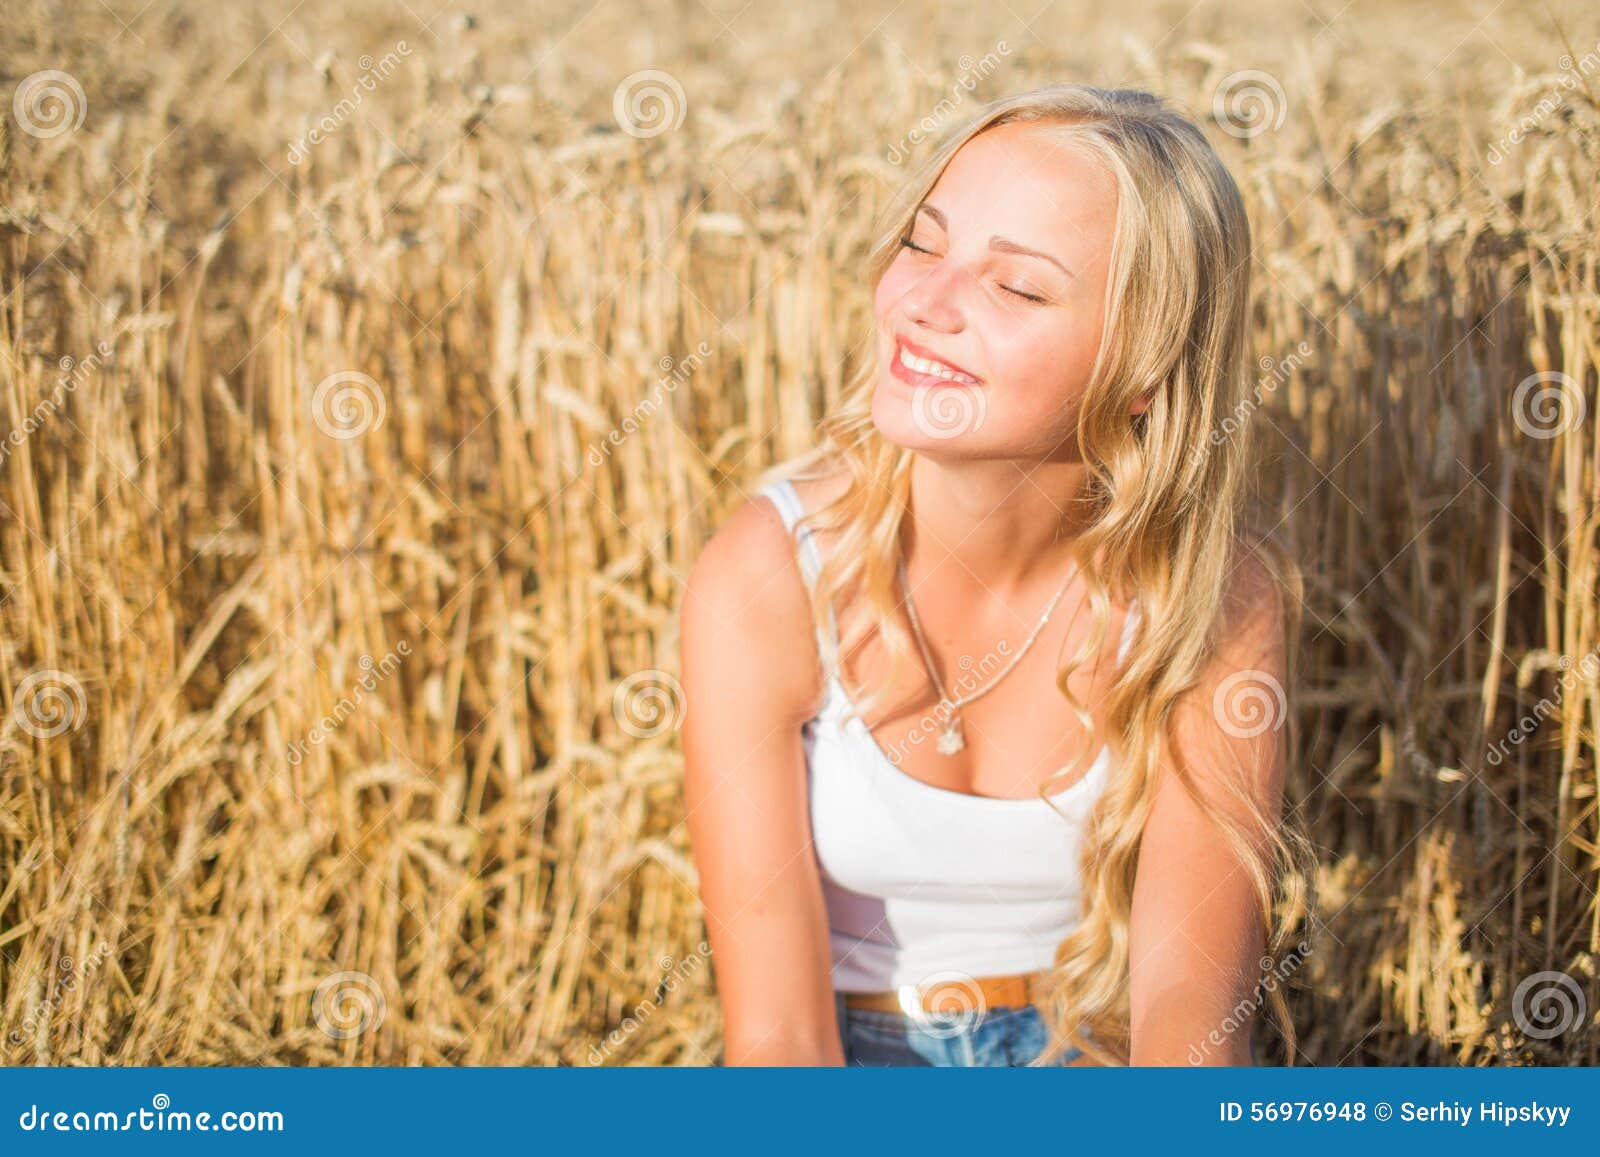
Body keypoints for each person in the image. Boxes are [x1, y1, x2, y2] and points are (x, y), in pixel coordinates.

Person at [680, 83, 1315, 1067]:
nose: (924, 304)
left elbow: (1190, 1011)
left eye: (1016, 287)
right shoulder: (766, 573)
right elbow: (776, 1037)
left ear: (1144, 370)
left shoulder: (1211, 600)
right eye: (921, 244)